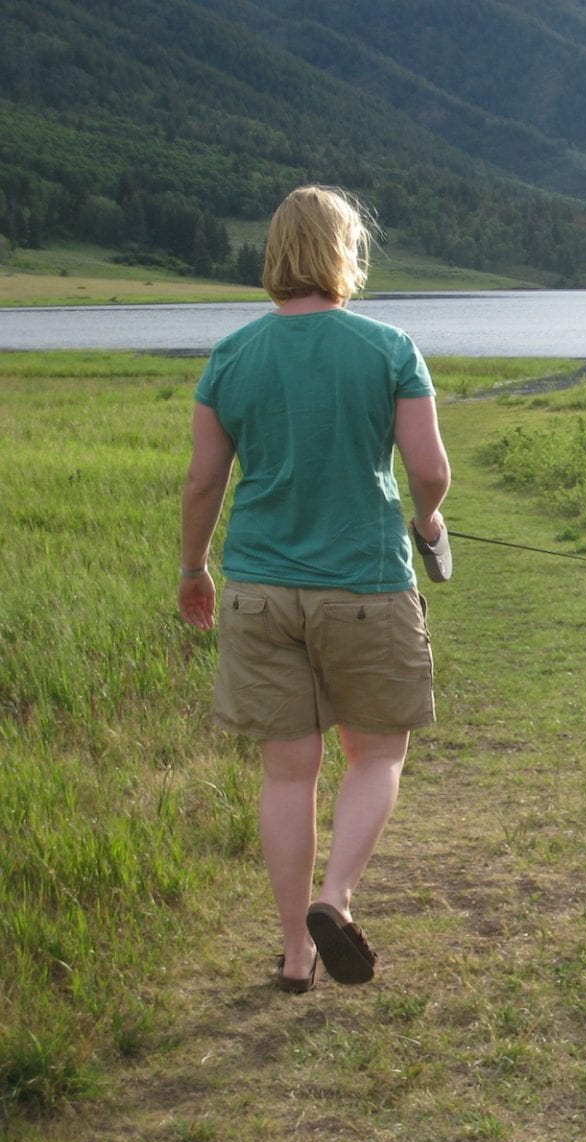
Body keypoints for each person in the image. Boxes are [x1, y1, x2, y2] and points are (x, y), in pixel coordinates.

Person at [178, 185, 452, 993]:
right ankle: (336, 897)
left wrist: (194, 569)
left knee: (288, 774)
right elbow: (429, 469)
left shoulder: (232, 355)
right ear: (346, 252)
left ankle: (296, 954)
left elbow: (203, 482)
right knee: (379, 750)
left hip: (258, 589)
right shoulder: (388, 347)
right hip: (366, 586)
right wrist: (427, 521)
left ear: (275, 253)